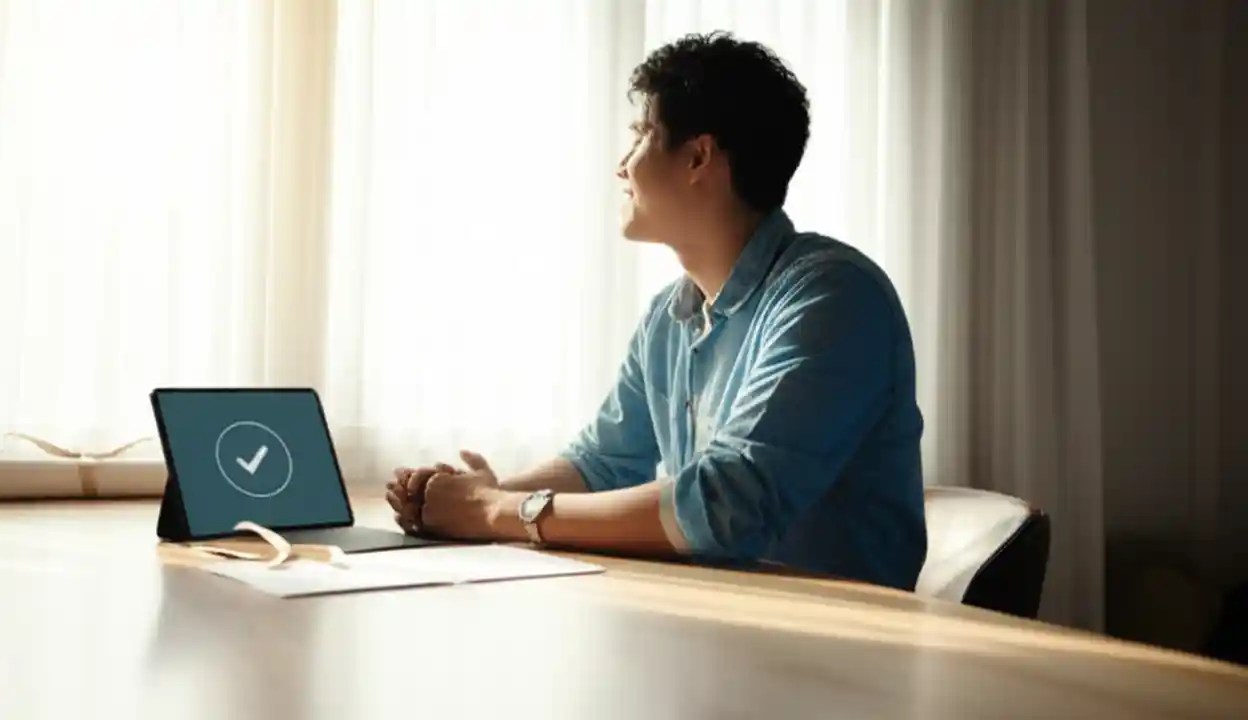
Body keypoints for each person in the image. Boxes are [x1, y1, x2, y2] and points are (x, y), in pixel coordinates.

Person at [387, 32, 926, 590]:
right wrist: (474, 499)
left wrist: (493, 512)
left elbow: (723, 506)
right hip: (719, 625)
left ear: (698, 157)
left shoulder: (832, 297)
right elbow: (601, 465)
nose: (622, 166)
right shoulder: (670, 315)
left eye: (642, 134)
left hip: (841, 646)